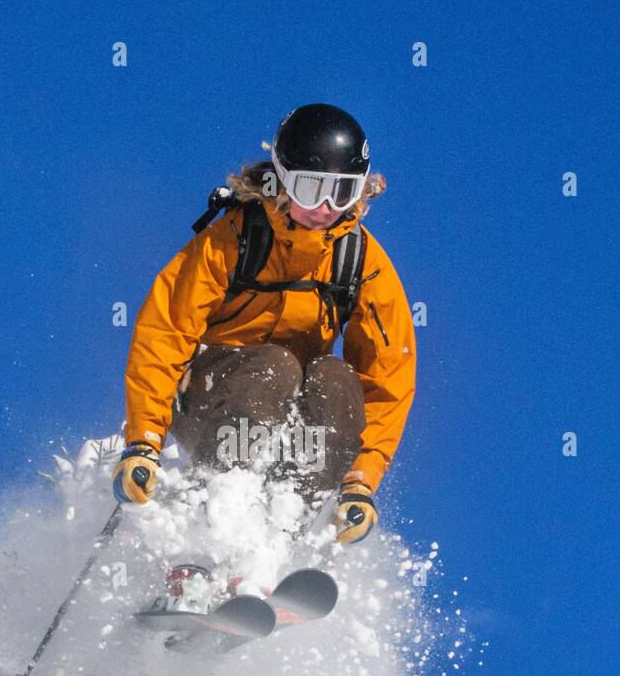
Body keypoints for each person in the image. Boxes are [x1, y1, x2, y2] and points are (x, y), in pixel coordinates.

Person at [113, 103, 416, 545]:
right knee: (276, 366)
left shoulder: (361, 261)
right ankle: (206, 538)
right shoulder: (233, 239)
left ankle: (276, 541)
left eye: (343, 191)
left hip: (293, 415)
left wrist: (360, 484)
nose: (326, 207)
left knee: (334, 379)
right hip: (208, 396)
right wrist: (143, 441)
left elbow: (387, 378)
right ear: (281, 178)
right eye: (311, 189)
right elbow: (165, 332)